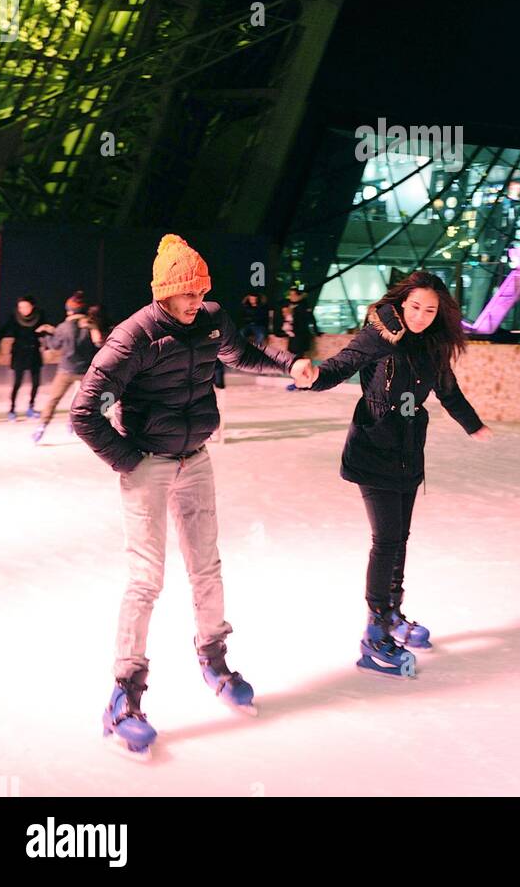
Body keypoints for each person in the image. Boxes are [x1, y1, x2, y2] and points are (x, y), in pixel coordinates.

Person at [68, 233, 315, 759]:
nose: (195, 303)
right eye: (186, 294)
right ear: (162, 293)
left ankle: (214, 659)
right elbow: (84, 413)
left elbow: (243, 353)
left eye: (201, 292)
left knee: (207, 566)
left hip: (195, 460)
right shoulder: (131, 338)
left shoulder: (209, 319)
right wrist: (130, 460)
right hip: (148, 464)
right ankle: (125, 694)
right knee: (146, 578)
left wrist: (289, 363)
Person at [300, 269, 492, 677]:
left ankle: (393, 614)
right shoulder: (381, 333)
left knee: (400, 538)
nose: (421, 316)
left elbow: (448, 389)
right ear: (402, 304)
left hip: (408, 448)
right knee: (385, 541)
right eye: (415, 307)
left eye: (430, 310)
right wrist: (314, 376)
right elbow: (342, 365)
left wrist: (472, 424)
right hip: (374, 446)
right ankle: (374, 633)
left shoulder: (433, 345)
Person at [32, 295, 99, 443]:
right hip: (85, 371)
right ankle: (74, 423)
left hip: (66, 370)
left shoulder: (63, 327)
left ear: (69, 310)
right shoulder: (90, 324)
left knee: (53, 400)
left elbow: (55, 345)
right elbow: (98, 343)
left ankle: (41, 427)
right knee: (85, 401)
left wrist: (48, 335)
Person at [0, 294, 50, 420]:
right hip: (19, 353)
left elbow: (46, 330)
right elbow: (3, 330)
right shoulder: (14, 317)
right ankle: (12, 409)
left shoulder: (39, 316)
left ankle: (31, 407)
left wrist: (46, 333)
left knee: (36, 382)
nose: (23, 309)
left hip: (33, 352)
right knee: (17, 382)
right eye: (20, 307)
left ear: (32, 306)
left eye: (26, 306)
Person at [280, 286, 319, 392]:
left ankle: (302, 383)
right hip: (293, 337)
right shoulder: (289, 304)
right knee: (295, 359)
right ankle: (300, 382)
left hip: (301, 336)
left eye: (293, 294)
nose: (291, 296)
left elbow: (310, 319)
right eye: (290, 294)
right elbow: (286, 320)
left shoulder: (303, 305)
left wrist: (316, 331)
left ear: (298, 295)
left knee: (299, 360)